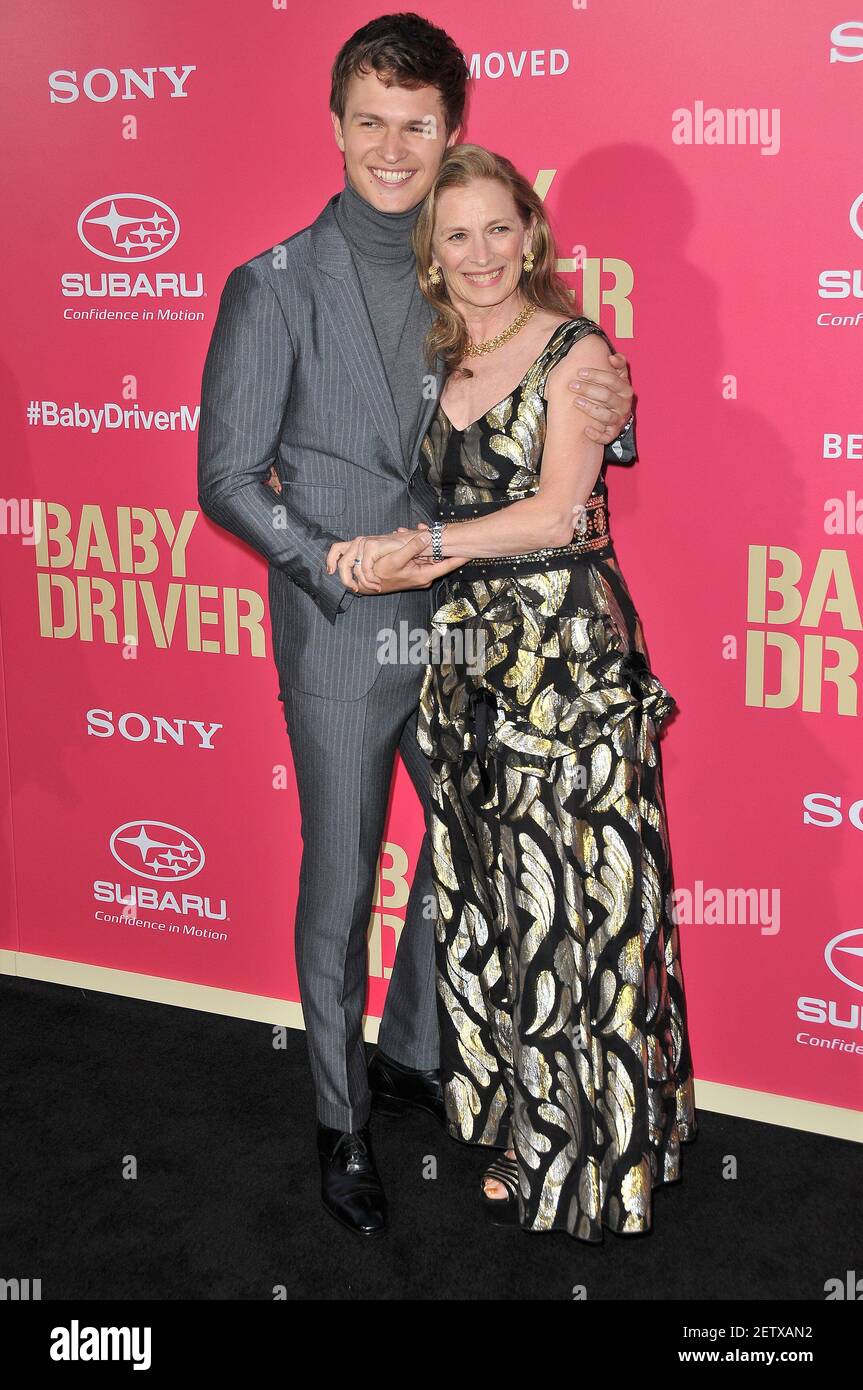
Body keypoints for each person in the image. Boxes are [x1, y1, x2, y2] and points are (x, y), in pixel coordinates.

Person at [198, 13, 636, 1239]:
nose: (394, 147)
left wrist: (610, 394)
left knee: (472, 853)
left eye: (419, 125)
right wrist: (332, 567)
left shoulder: (465, 262)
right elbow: (227, 478)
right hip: (343, 625)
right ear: (337, 124)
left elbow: (545, 397)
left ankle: (407, 1050)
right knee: (340, 876)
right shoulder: (270, 283)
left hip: (471, 629)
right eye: (372, 122)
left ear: (453, 129)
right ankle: (341, 1122)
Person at [328, 144, 698, 1242]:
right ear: (430, 257)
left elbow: (550, 516)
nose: (480, 253)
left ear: (529, 235)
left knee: (581, 904)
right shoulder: (434, 355)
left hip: (565, 662)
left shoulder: (580, 355)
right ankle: (523, 1125)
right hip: (466, 668)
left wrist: (425, 545)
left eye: (498, 229)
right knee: (494, 904)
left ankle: (593, 1151)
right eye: (456, 236)